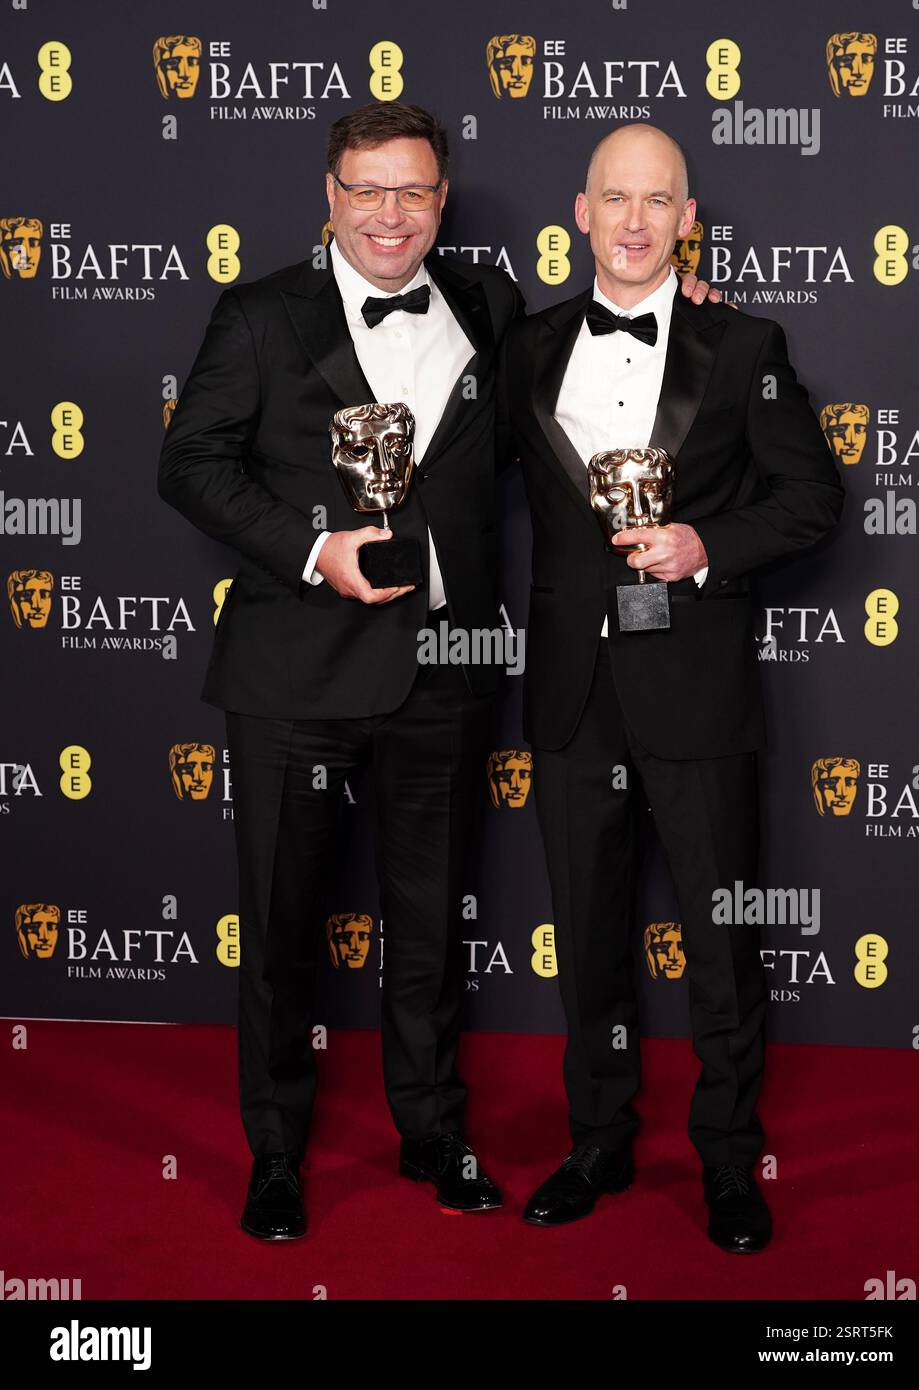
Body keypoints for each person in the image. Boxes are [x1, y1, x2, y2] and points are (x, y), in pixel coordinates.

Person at [158, 100, 718, 1243]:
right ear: (331, 196)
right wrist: (311, 548)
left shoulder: (487, 305)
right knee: (280, 930)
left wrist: (682, 305)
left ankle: (429, 1128)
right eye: (367, 189)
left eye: (412, 190)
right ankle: (277, 1153)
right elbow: (190, 464)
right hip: (294, 676)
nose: (390, 214)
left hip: (442, 671)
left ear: (441, 199)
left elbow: (588, 358)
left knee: (429, 922)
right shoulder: (259, 313)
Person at [502, 123, 844, 1251]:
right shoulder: (525, 347)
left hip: (695, 685)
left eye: (658, 201)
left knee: (720, 939)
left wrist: (706, 544)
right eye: (616, 198)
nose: (636, 221)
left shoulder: (744, 344)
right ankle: (596, 1140)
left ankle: (729, 1159)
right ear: (580, 212)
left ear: (687, 220)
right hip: (570, 690)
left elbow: (811, 500)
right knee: (587, 935)